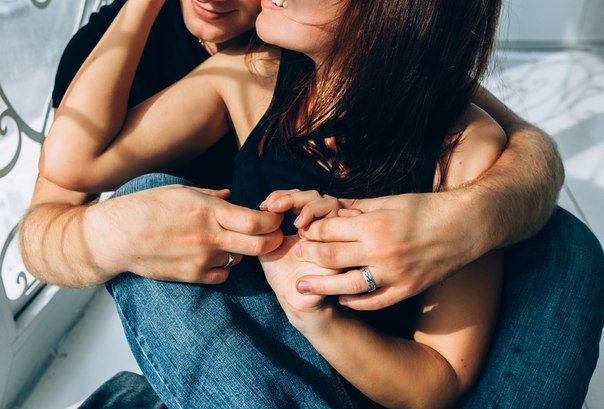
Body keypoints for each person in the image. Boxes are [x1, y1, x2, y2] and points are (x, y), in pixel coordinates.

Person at [19, 0, 603, 407]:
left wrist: (458, 222)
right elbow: (53, 205)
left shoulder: (407, 92)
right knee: (141, 200)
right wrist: (117, 232)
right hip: (245, 358)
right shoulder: (226, 72)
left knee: (566, 246)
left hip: (367, 364)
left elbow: (524, 148)